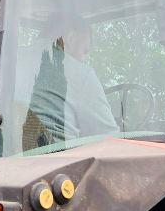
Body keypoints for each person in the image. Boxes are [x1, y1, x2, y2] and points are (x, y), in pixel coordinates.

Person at [18, 16, 118, 151]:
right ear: (71, 38)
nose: (84, 59)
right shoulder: (79, 72)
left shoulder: (7, 59)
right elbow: (109, 138)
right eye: (84, 51)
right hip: (56, 166)